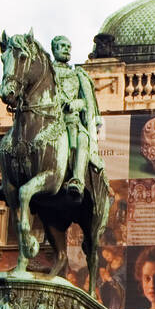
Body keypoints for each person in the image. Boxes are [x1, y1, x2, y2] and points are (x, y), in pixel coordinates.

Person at [51, 35, 104, 201]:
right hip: (49, 119)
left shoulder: (77, 75)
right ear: (54, 49)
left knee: (82, 139)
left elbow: (86, 102)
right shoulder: (46, 73)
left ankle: (78, 179)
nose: (66, 49)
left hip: (71, 120)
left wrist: (75, 104)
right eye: (62, 46)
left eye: (68, 46)